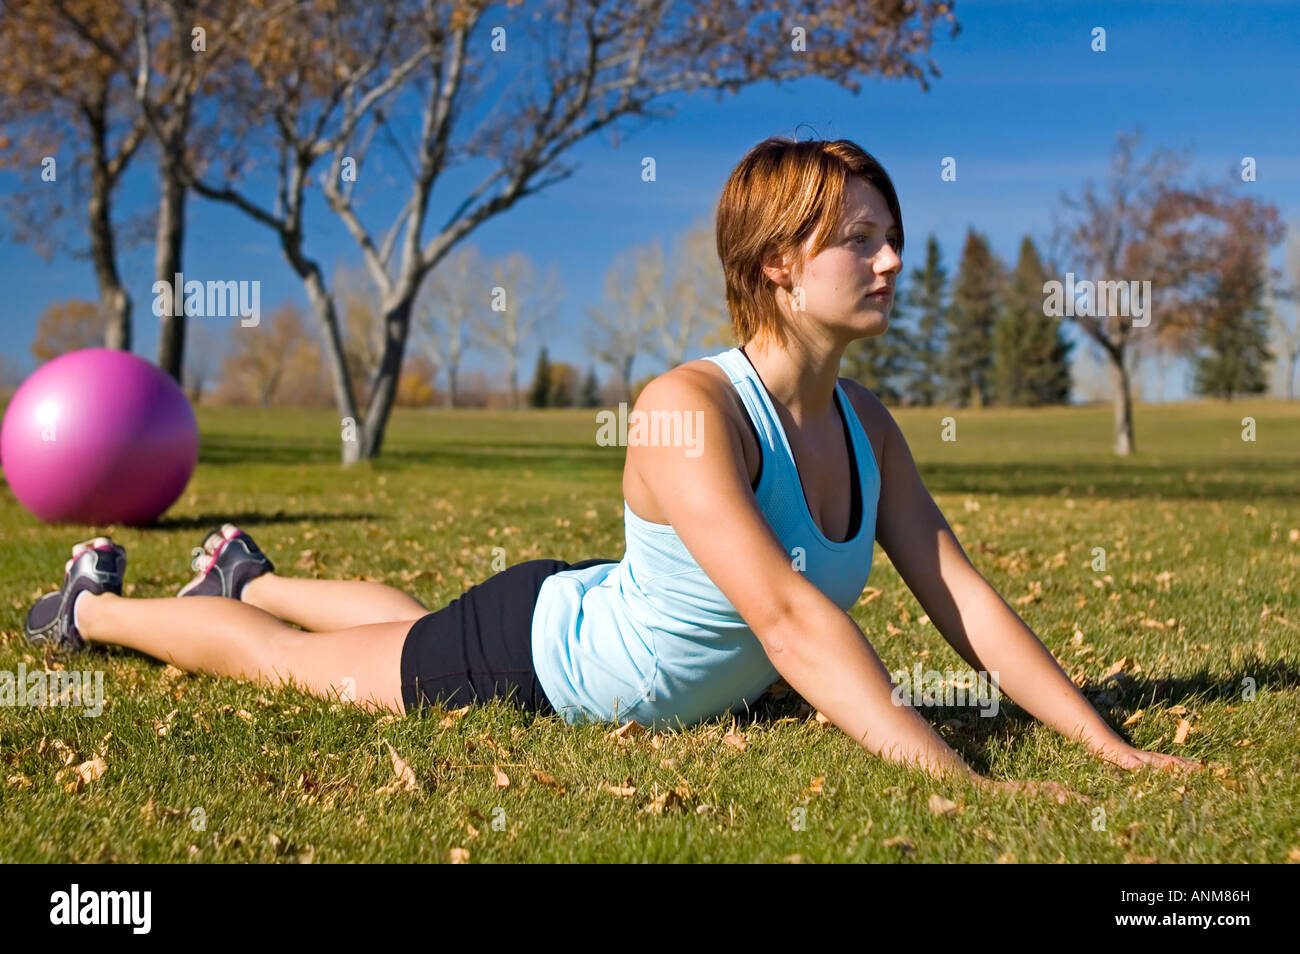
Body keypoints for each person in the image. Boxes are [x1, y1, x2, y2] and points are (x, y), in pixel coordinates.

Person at [25, 136, 1204, 801]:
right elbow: (791, 623)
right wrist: (975, 787)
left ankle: (250, 573)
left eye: (893, 234)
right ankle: (100, 610)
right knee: (297, 669)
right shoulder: (684, 407)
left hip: (581, 607)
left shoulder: (868, 424)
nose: (893, 258)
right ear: (779, 264)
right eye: (861, 238)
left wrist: (1106, 742)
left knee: (393, 628)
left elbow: (961, 601)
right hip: (539, 660)